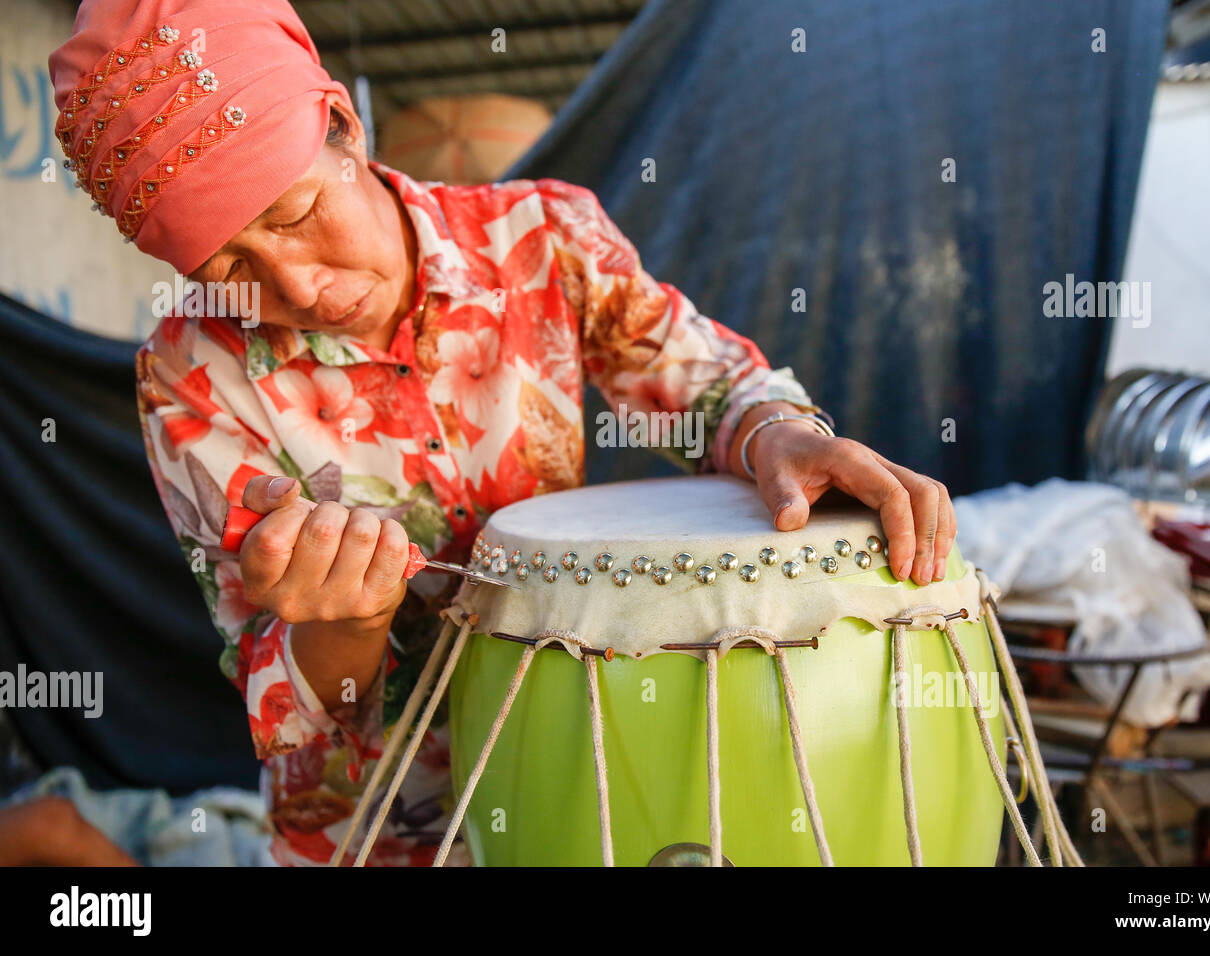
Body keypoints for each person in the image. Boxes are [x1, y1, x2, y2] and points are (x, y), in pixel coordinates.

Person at [51, 0, 956, 865]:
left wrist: (776, 434)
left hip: (583, 778)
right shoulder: (190, 375)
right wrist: (347, 627)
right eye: (229, 267)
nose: (296, 288)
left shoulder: (544, 236)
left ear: (344, 124)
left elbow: (710, 388)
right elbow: (281, 705)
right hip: (373, 835)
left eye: (294, 215)